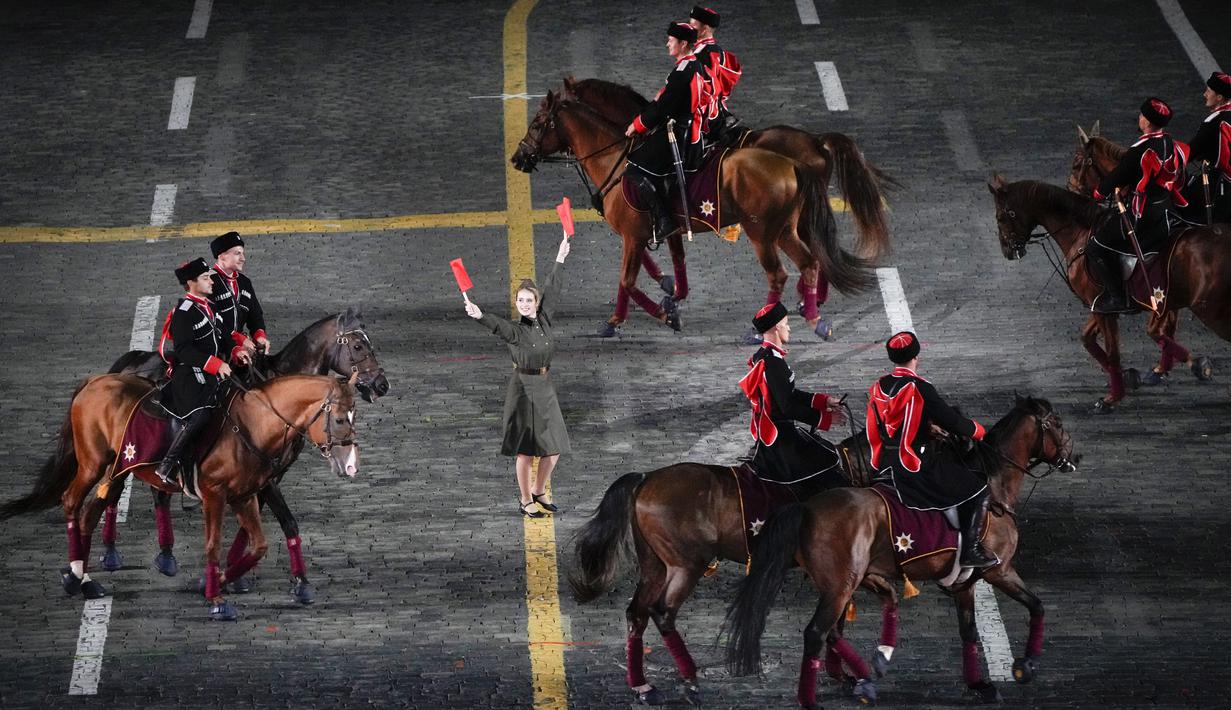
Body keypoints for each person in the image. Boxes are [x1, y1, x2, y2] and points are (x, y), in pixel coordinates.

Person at [866, 331, 997, 568]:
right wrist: (978, 431)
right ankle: (970, 550)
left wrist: (926, 430)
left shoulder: (879, 386)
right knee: (979, 490)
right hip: (915, 463)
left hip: (886, 462)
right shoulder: (921, 387)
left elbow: (880, 427)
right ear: (916, 356)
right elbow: (952, 421)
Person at [465, 238, 572, 518]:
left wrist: (560, 257)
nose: (524, 305)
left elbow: (553, 288)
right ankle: (526, 500)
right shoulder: (515, 330)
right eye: (520, 300)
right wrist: (479, 315)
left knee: (554, 448)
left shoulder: (544, 318)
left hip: (545, 388)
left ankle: (539, 490)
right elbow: (497, 326)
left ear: (537, 302)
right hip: (523, 390)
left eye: (529, 300)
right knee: (526, 453)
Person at [1089, 97, 1189, 313]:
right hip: (1166, 213)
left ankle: (1117, 298)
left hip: (1141, 218)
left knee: (1096, 246)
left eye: (1142, 115)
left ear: (1148, 122)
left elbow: (1118, 175)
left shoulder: (1140, 149)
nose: (1140, 118)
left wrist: (1099, 192)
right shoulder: (1170, 143)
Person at [738, 303, 846, 484]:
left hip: (778, 431)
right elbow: (787, 406)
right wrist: (824, 419)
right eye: (786, 323)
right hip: (780, 438)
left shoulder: (764, 355)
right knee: (828, 460)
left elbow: (789, 393)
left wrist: (823, 401)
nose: (789, 328)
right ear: (776, 327)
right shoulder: (773, 362)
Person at [624, 22, 710, 245]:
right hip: (689, 127)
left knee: (635, 169)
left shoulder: (683, 70)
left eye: (671, 40)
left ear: (683, 44)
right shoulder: (695, 66)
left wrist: (638, 125)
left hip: (676, 132)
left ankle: (664, 220)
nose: (667, 44)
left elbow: (664, 108)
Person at [155, 258, 236, 486]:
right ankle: (168, 464)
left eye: (210, 276)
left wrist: (239, 349)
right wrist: (216, 364)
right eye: (205, 278)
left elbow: (223, 337)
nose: (212, 281)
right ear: (191, 283)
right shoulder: (184, 312)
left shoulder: (209, 306)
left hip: (213, 375)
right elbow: (183, 351)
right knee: (201, 415)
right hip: (189, 376)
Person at [209, 231, 269, 363]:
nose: (243, 258)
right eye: (237, 253)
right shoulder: (207, 282)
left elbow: (255, 314)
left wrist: (260, 335)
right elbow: (211, 321)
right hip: (214, 349)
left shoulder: (244, 282)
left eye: (243, 253)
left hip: (240, 349)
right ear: (222, 256)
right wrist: (239, 339)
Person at [687, 5, 742, 144]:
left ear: (704, 29)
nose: (689, 28)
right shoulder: (721, 53)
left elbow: (699, 93)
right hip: (721, 110)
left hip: (706, 116)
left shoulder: (700, 56)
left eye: (693, 25)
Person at [1183, 72, 1231, 224]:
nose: (1205, 94)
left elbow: (1190, 151)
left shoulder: (1214, 122)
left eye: (1209, 91)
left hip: (1220, 183)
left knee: (1182, 204)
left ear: (1219, 97)